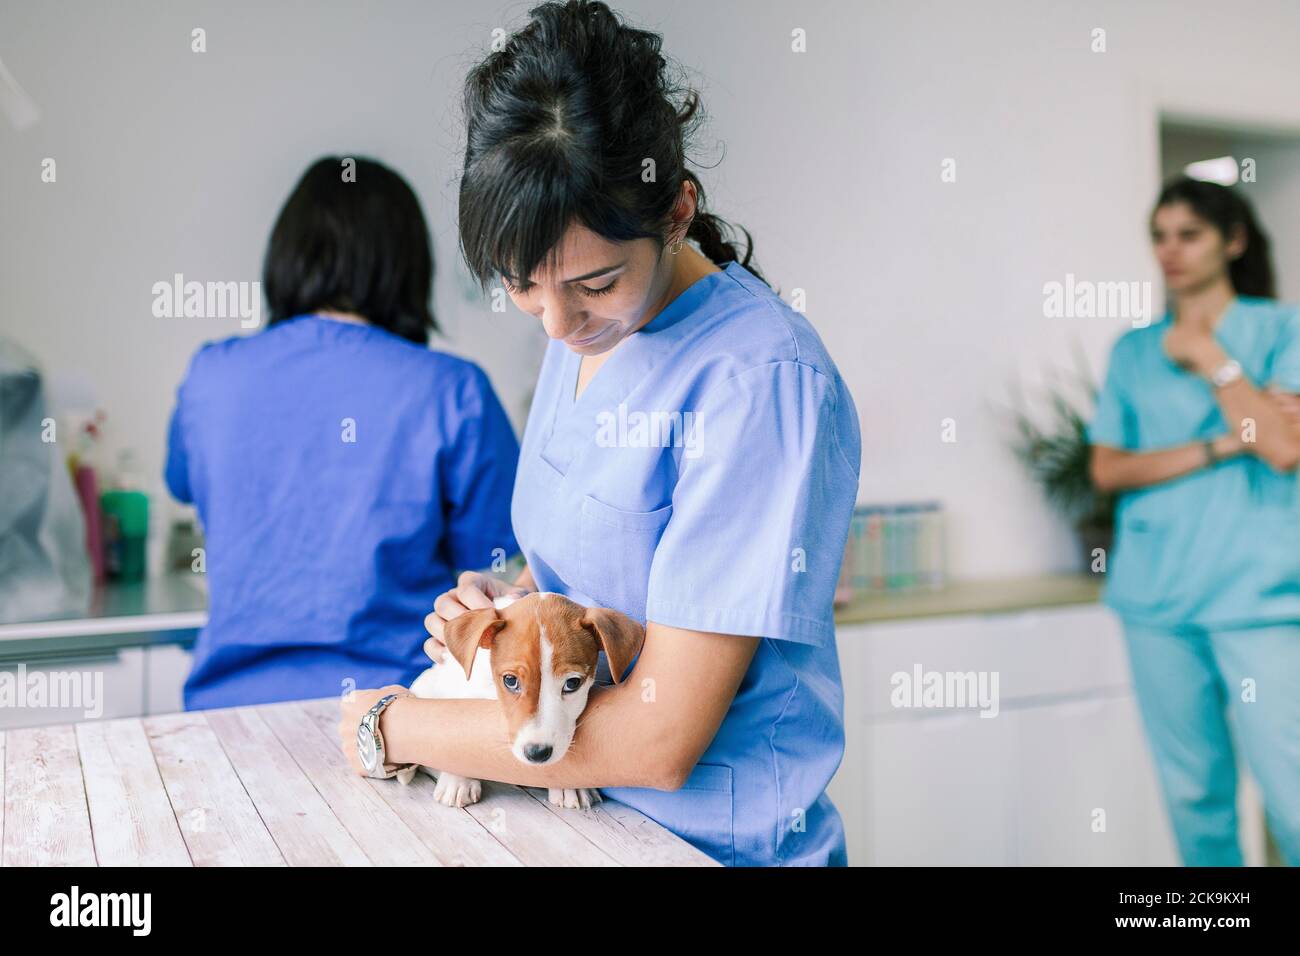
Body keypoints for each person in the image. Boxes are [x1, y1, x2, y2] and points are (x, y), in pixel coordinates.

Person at [339, 0, 861, 867]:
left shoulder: (759, 382)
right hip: (574, 827)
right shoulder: (589, 334)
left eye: (594, 280)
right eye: (522, 286)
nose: (554, 322)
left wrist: (395, 726)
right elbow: (587, 561)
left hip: (706, 846)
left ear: (678, 211)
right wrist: (503, 612)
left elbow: (660, 737)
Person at [166, 156, 520, 710]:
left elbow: (184, 484)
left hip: (225, 713)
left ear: (284, 256)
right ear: (407, 266)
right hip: (393, 718)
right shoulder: (453, 390)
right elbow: (494, 554)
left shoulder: (212, 373)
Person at [1088, 175, 1300, 866]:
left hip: (1258, 600)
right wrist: (1221, 440)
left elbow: (1279, 446)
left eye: (1189, 234)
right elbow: (1108, 469)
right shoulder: (1133, 350)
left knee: (1292, 794)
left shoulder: (1282, 328)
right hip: (1156, 601)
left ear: (1232, 241)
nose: (1170, 251)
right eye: (1159, 235)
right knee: (1193, 798)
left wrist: (1210, 355)